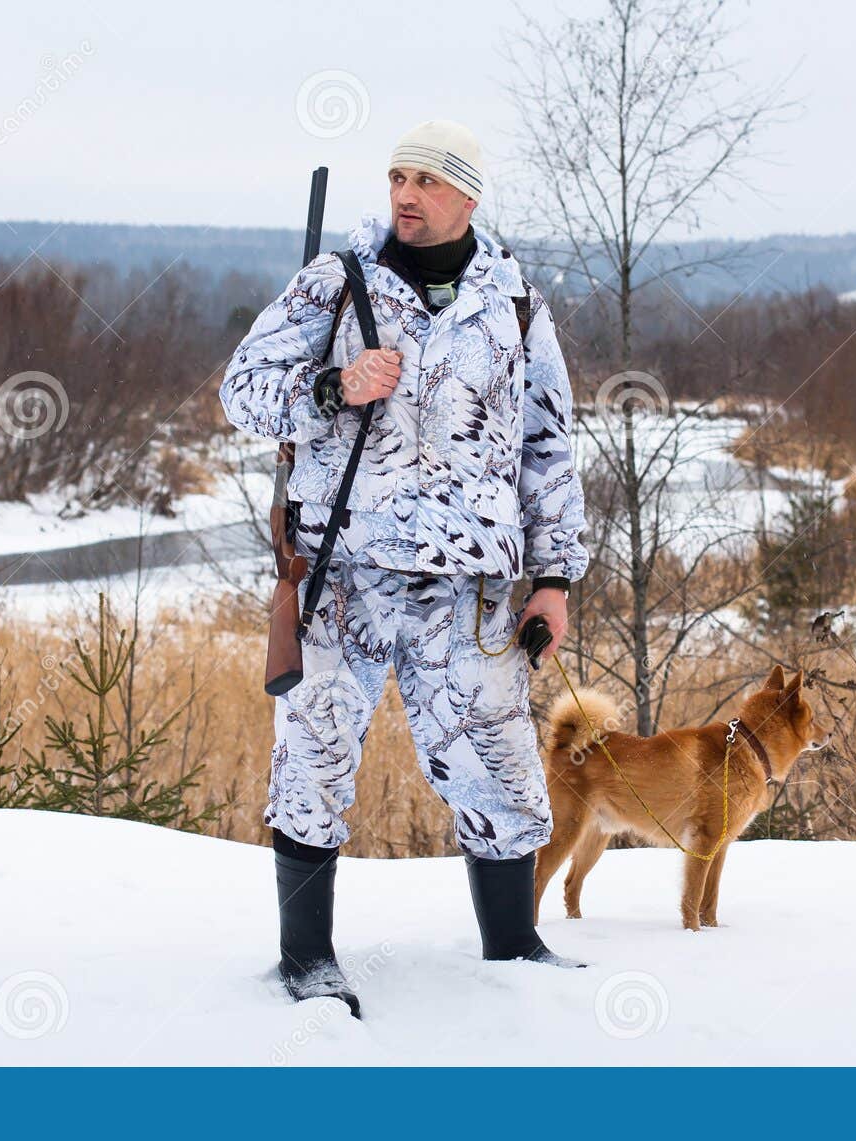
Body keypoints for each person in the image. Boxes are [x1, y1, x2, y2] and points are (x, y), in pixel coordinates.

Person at [220, 119, 589, 1017]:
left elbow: (548, 444)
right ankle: (308, 957)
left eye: (426, 179)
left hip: (469, 589)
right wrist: (331, 387)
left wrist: (554, 576)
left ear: (468, 197)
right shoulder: (335, 285)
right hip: (343, 573)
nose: (406, 195)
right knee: (313, 759)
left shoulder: (517, 304)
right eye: (396, 177)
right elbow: (240, 389)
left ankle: (513, 947)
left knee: (497, 762)